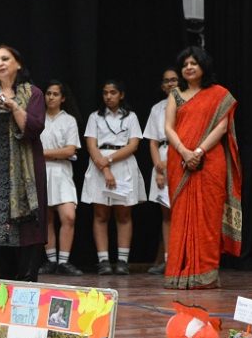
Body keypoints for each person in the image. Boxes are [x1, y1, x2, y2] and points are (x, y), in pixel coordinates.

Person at [163, 46, 241, 289]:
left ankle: (205, 274)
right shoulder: (175, 94)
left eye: (193, 63)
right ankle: (178, 273)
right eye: (185, 64)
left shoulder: (219, 95)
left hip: (209, 162)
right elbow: (168, 128)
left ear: (203, 67)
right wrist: (185, 152)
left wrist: (198, 152)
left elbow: (222, 127)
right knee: (181, 217)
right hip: (180, 160)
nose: (188, 67)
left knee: (208, 217)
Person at [0, 45, 47, 282]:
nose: (0, 64)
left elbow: (34, 128)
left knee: (25, 227)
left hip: (24, 171)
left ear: (18, 64)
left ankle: (25, 280)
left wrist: (13, 105)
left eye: (5, 59)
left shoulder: (33, 93)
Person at [81, 79, 145, 275]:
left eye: (113, 92)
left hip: (123, 165)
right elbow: (91, 145)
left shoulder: (131, 117)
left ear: (121, 95)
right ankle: (103, 260)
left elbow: (133, 145)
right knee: (101, 214)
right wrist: (105, 168)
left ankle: (123, 260)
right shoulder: (95, 117)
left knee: (123, 214)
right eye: (105, 93)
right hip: (99, 166)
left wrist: (109, 160)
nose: (108, 96)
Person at [39, 80, 83, 276]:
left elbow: (70, 150)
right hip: (42, 171)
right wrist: (56, 153)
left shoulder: (69, 120)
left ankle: (64, 261)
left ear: (63, 98)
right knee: (46, 217)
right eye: (48, 93)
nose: (51, 97)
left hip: (62, 172)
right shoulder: (38, 118)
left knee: (68, 216)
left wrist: (44, 153)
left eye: (55, 94)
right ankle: (51, 261)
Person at [143, 68, 180, 275]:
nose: (170, 84)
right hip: (163, 158)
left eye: (174, 80)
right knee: (166, 214)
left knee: (182, 213)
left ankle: (183, 259)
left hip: (182, 157)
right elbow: (153, 142)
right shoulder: (157, 109)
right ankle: (168, 259)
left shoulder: (188, 104)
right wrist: (158, 168)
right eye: (166, 81)